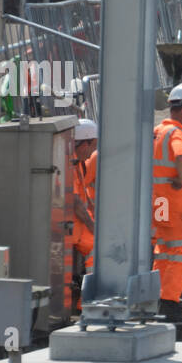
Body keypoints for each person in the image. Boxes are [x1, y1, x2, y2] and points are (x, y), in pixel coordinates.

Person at [152, 84, 182, 321]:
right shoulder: (177, 133)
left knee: (163, 250)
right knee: (180, 251)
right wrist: (181, 179)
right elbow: (180, 155)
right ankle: (169, 301)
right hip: (174, 204)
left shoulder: (158, 130)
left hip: (159, 202)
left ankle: (156, 297)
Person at [66, 118, 98, 312]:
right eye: (92, 146)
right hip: (73, 228)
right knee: (100, 252)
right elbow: (76, 202)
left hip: (76, 227)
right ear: (84, 143)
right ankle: (86, 303)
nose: (92, 151)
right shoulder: (71, 164)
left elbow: (84, 197)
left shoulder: (77, 163)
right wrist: (92, 225)